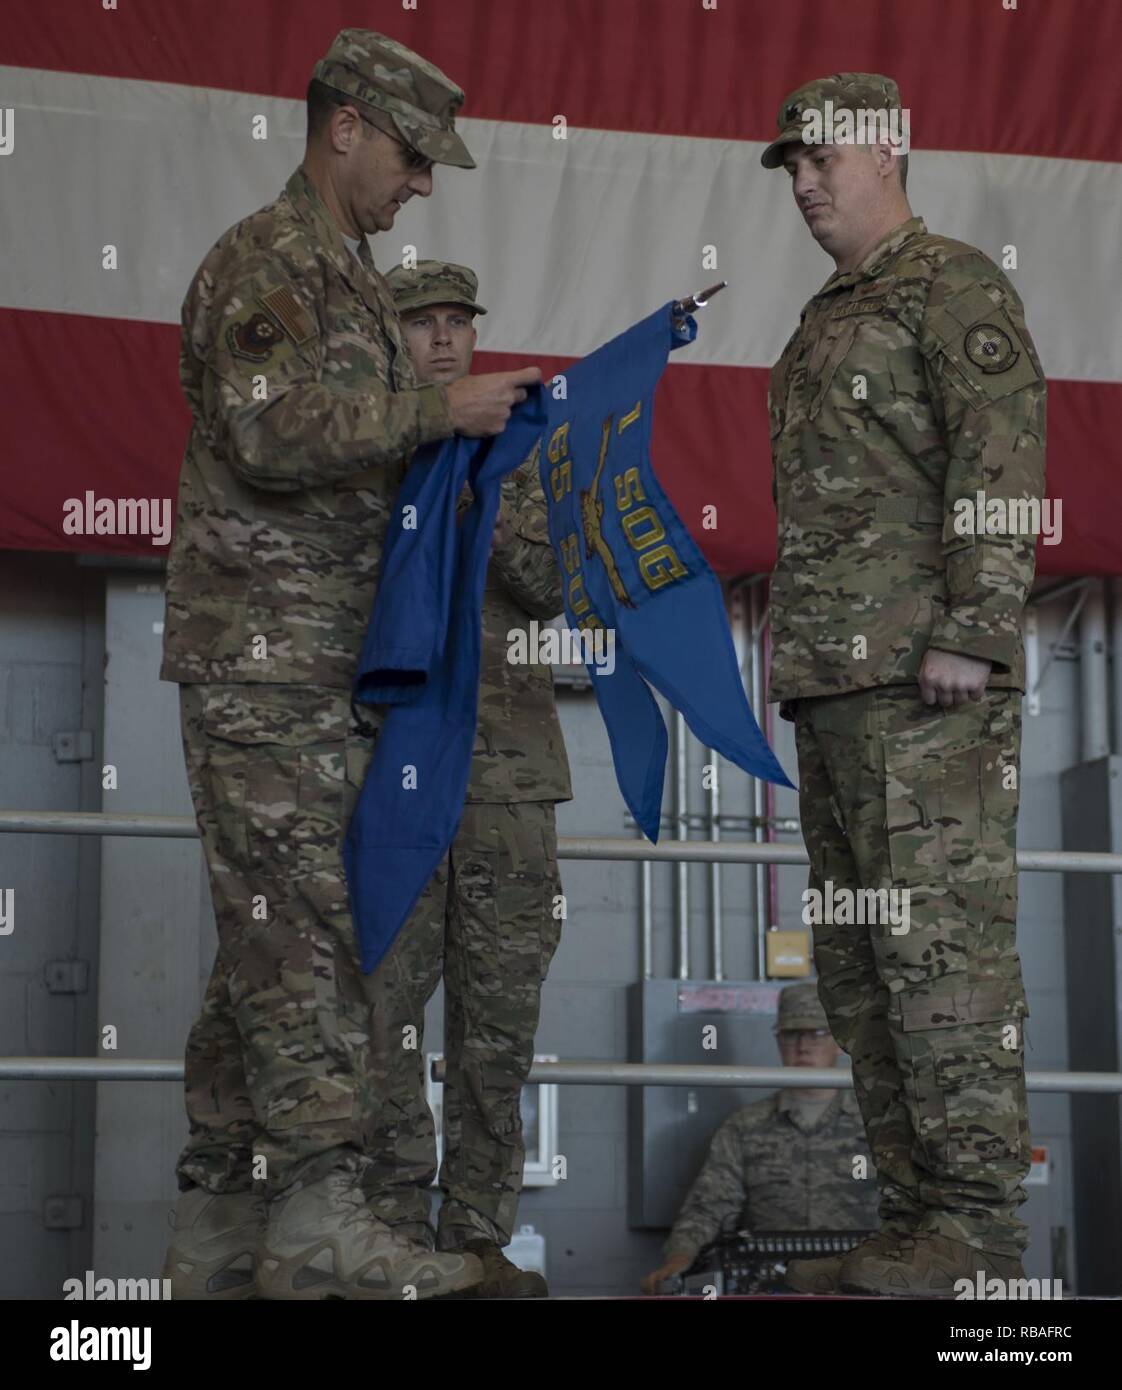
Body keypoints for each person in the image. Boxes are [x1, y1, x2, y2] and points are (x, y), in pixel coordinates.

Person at [159, 28, 542, 1301]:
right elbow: (267, 431)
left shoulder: (355, 282)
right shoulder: (269, 262)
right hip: (265, 658)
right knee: (310, 932)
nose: (422, 183)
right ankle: (319, 1210)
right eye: (414, 155)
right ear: (346, 128)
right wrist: (442, 409)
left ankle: (220, 1217)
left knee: (264, 940)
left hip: (325, 663)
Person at [761, 73, 1045, 1296]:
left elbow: (1003, 460)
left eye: (820, 157)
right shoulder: (825, 316)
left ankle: (976, 1233)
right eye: (791, 164)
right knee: (862, 967)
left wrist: (975, 630)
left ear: (889, 149)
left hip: (929, 693)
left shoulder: (953, 285)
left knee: (944, 961)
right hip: (836, 689)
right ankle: (915, 1220)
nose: (803, 181)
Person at [358, 258, 571, 1298]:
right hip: (390, 771)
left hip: (508, 775)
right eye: (421, 323)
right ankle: (395, 1227)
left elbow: (553, 582)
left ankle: (481, 1235)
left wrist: (480, 490)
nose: (443, 339)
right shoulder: (360, 448)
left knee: (497, 1024)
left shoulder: (523, 448)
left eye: (457, 322)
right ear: (390, 337)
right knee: (382, 1012)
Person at [640, 981, 875, 1295]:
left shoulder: (875, 1124)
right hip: (768, 1282)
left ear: (839, 1041)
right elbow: (709, 1206)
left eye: (817, 1033)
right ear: (778, 1041)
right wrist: (681, 1259)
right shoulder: (746, 1127)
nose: (803, 1046)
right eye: (792, 1034)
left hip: (859, 1278)